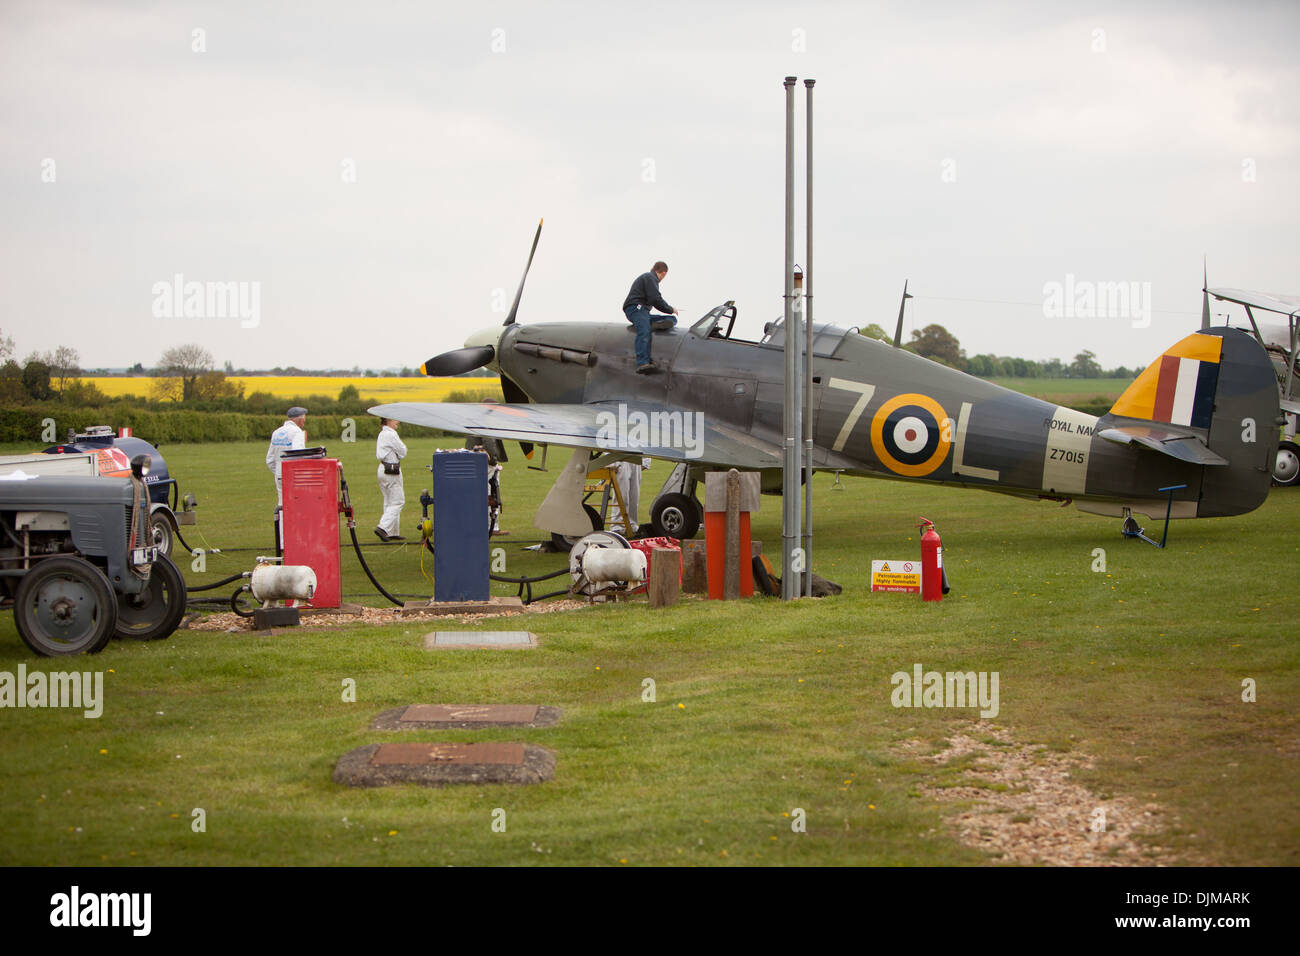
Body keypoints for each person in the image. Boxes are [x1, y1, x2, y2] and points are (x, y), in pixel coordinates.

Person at [623, 261, 679, 374]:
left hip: (644, 312)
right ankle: (642, 363)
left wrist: (670, 312)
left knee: (672, 320)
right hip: (636, 308)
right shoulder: (650, 277)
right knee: (644, 330)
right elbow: (655, 299)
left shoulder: (650, 278)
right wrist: (670, 309)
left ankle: (652, 324)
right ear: (663, 273)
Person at [266, 406, 307, 505]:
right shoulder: (297, 432)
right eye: (304, 417)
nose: (305, 421)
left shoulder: (276, 432)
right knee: (295, 505)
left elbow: (270, 460)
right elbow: (299, 455)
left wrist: (279, 472)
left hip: (279, 474)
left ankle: (281, 521)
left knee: (282, 505)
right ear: (300, 419)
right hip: (294, 475)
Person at [375, 417, 407, 542]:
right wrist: (398, 452)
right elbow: (403, 451)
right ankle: (383, 527)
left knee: (388, 501)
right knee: (398, 501)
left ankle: (392, 532)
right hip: (391, 469)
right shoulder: (391, 434)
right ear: (388, 420)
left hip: (382, 468)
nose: (398, 421)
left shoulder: (382, 434)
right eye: (395, 419)